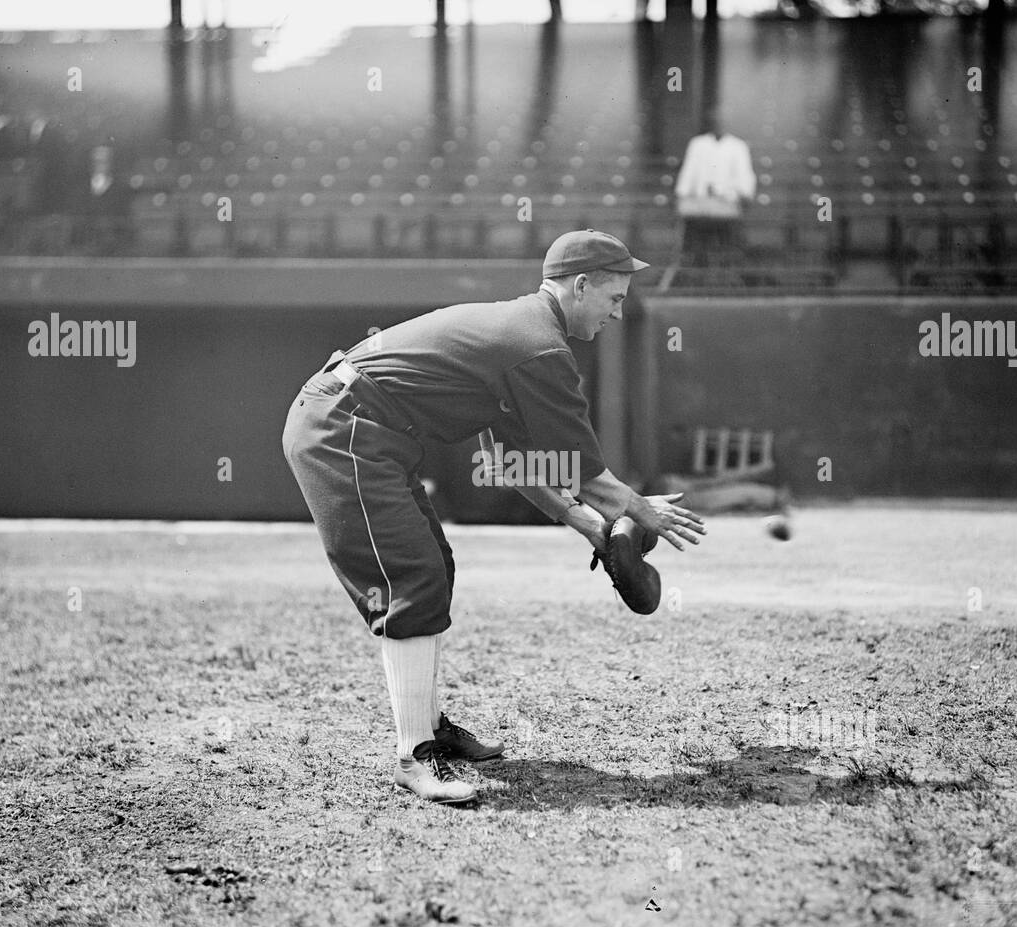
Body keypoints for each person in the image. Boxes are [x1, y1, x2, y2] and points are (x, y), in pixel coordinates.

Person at [281, 229, 706, 806]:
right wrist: (639, 509)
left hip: (371, 431)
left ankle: (430, 731)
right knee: (413, 576)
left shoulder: (525, 333)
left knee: (436, 567)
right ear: (580, 287)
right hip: (344, 428)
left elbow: (514, 460)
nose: (618, 311)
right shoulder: (538, 345)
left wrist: (586, 524)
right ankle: (414, 756)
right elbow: (586, 470)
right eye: (614, 297)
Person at [674, 107, 757, 269]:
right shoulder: (697, 144)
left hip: (726, 203)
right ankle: (694, 270)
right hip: (700, 204)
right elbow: (688, 172)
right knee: (694, 238)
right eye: (714, 121)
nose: (718, 124)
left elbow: (745, 176)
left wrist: (738, 194)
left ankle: (726, 270)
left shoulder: (738, 146)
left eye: (721, 121)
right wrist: (681, 195)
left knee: (727, 240)